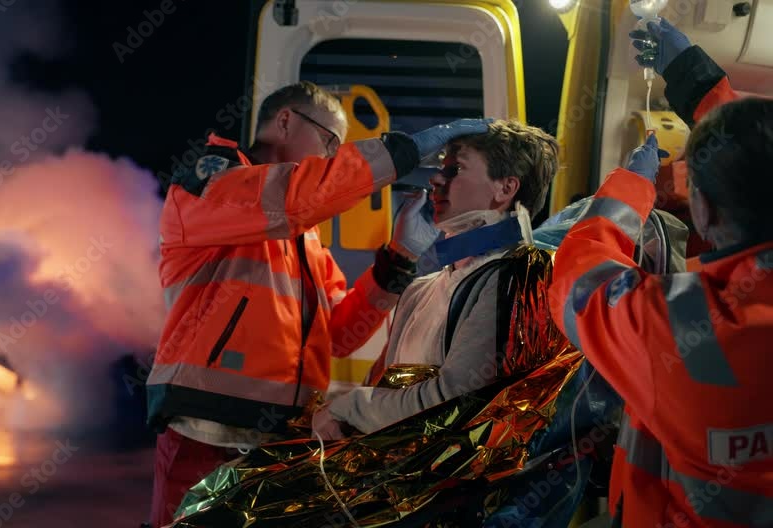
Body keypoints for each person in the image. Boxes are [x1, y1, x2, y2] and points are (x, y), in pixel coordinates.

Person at [146, 80, 490, 526]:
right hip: (206, 431)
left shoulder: (304, 235)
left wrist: (399, 257)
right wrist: (400, 152)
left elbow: (340, 335)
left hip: (280, 439)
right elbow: (292, 197)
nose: (332, 155)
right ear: (285, 120)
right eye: (329, 140)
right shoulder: (212, 179)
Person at [549, 21, 772, 527]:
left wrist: (630, 187)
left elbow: (576, 282)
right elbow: (760, 164)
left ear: (702, 211)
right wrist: (696, 80)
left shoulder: (688, 326)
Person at [311, 120, 560, 439]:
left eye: (455, 170)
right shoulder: (419, 291)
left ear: (505, 189)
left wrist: (350, 407)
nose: (436, 179)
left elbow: (453, 403)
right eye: (442, 168)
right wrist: (402, 253)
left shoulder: (511, 280)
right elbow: (383, 391)